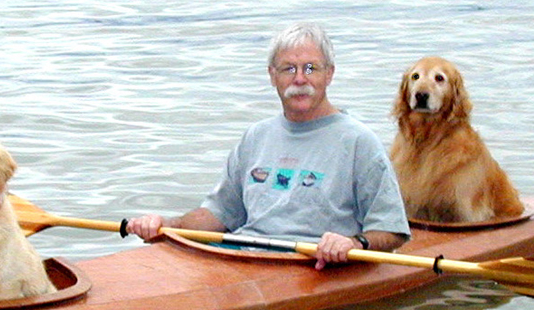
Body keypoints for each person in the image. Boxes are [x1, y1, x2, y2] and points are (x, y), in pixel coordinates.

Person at [126, 22, 410, 269]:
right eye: (288, 69)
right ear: (273, 75)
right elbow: (218, 216)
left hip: (314, 264)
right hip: (246, 258)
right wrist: (165, 225)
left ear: (329, 74)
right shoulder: (255, 137)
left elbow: (391, 230)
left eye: (311, 68)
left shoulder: (359, 142)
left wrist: (354, 243)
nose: (300, 79)